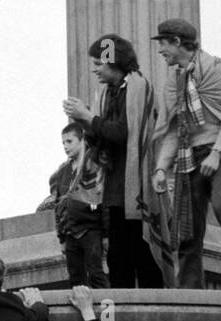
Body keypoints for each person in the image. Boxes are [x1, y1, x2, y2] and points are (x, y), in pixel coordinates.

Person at [149, 18, 221, 293]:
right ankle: (191, 289)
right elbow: (172, 129)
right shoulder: (173, 81)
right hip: (188, 156)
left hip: (218, 150)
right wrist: (159, 168)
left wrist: (216, 153)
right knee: (188, 226)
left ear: (177, 42)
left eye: (163, 44)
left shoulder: (218, 69)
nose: (160, 51)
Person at [62, 34, 175, 288]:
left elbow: (123, 132)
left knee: (142, 252)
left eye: (99, 63)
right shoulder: (107, 93)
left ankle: (151, 315)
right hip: (115, 185)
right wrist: (83, 120)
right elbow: (103, 137)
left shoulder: (137, 87)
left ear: (114, 61)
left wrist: (88, 117)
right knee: (118, 256)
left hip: (137, 185)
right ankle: (122, 319)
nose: (95, 69)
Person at [42, 121, 107, 287]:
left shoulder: (93, 165)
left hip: (90, 228)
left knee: (96, 274)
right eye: (63, 142)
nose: (65, 146)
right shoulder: (63, 172)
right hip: (70, 231)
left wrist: (106, 233)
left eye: (69, 141)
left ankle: (105, 311)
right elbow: (59, 204)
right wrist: (61, 236)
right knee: (75, 279)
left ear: (82, 140)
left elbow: (101, 198)